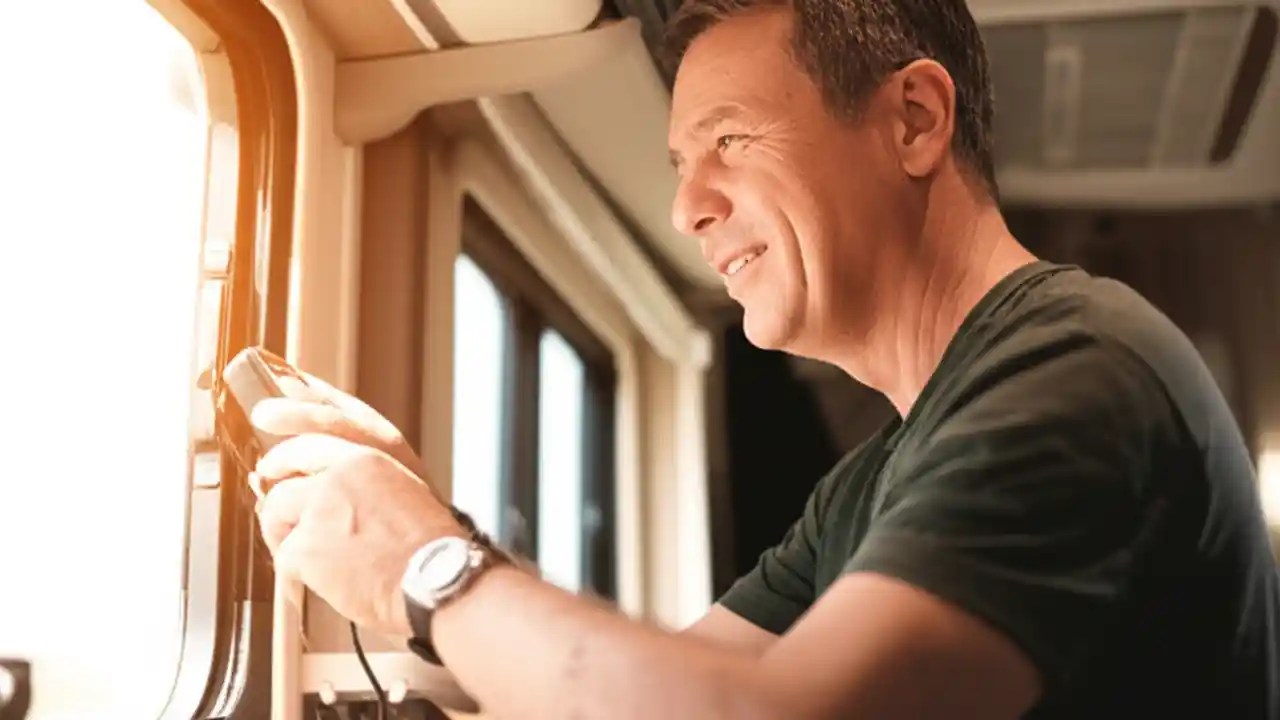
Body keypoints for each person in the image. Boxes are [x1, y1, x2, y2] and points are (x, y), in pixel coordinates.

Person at [248, 1, 1280, 717]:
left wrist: (426, 569)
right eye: (679, 165)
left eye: (727, 141)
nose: (686, 205)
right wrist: (425, 534)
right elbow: (671, 693)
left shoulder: (1077, 366)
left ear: (912, 120)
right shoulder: (870, 482)